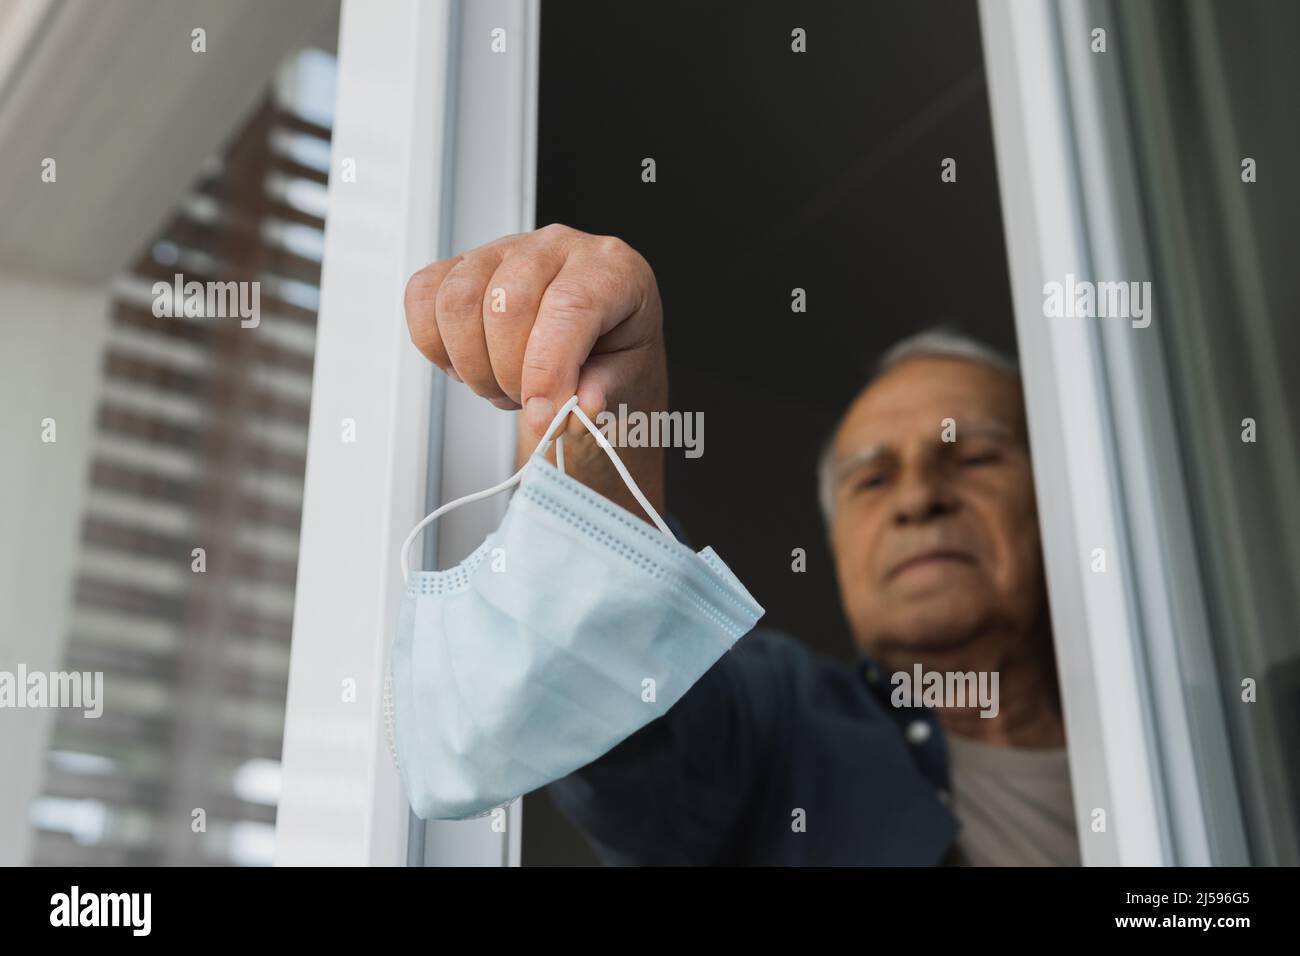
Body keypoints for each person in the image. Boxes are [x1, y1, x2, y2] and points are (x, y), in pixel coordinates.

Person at [404, 223, 1079, 865]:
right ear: (838, 542)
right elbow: (617, 704)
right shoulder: (778, 729)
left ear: (1059, 501)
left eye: (974, 458)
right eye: (872, 479)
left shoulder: (1164, 727)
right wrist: (608, 410)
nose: (916, 498)